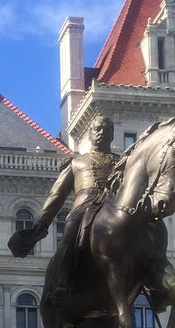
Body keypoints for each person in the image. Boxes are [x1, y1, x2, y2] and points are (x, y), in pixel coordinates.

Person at [8, 116, 119, 303]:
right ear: (90, 135)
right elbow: (57, 195)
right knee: (71, 232)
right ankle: (62, 281)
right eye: (97, 129)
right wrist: (42, 221)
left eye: (106, 130)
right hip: (85, 206)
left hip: (115, 208)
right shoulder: (77, 163)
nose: (101, 133)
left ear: (112, 135)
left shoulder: (121, 163)